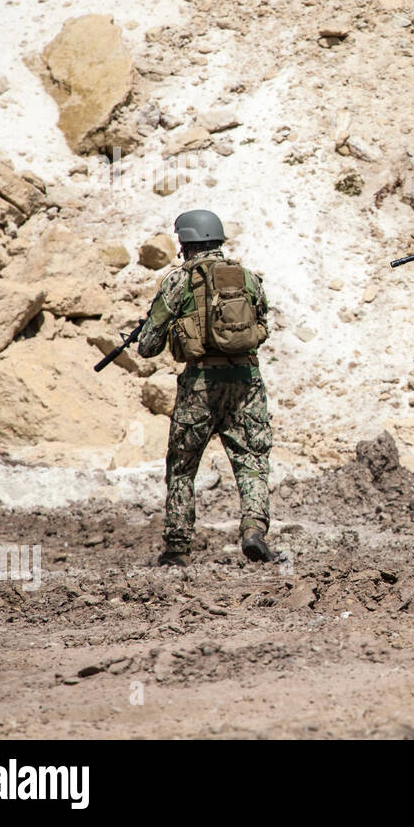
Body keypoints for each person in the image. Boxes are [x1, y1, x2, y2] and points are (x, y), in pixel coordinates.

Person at [136, 209, 277, 566]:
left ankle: (178, 547)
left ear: (185, 243)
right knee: (252, 461)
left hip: (200, 383)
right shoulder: (247, 277)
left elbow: (148, 346)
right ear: (218, 240)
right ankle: (254, 530)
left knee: (183, 466)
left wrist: (165, 329)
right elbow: (261, 325)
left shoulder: (177, 281)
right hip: (247, 381)